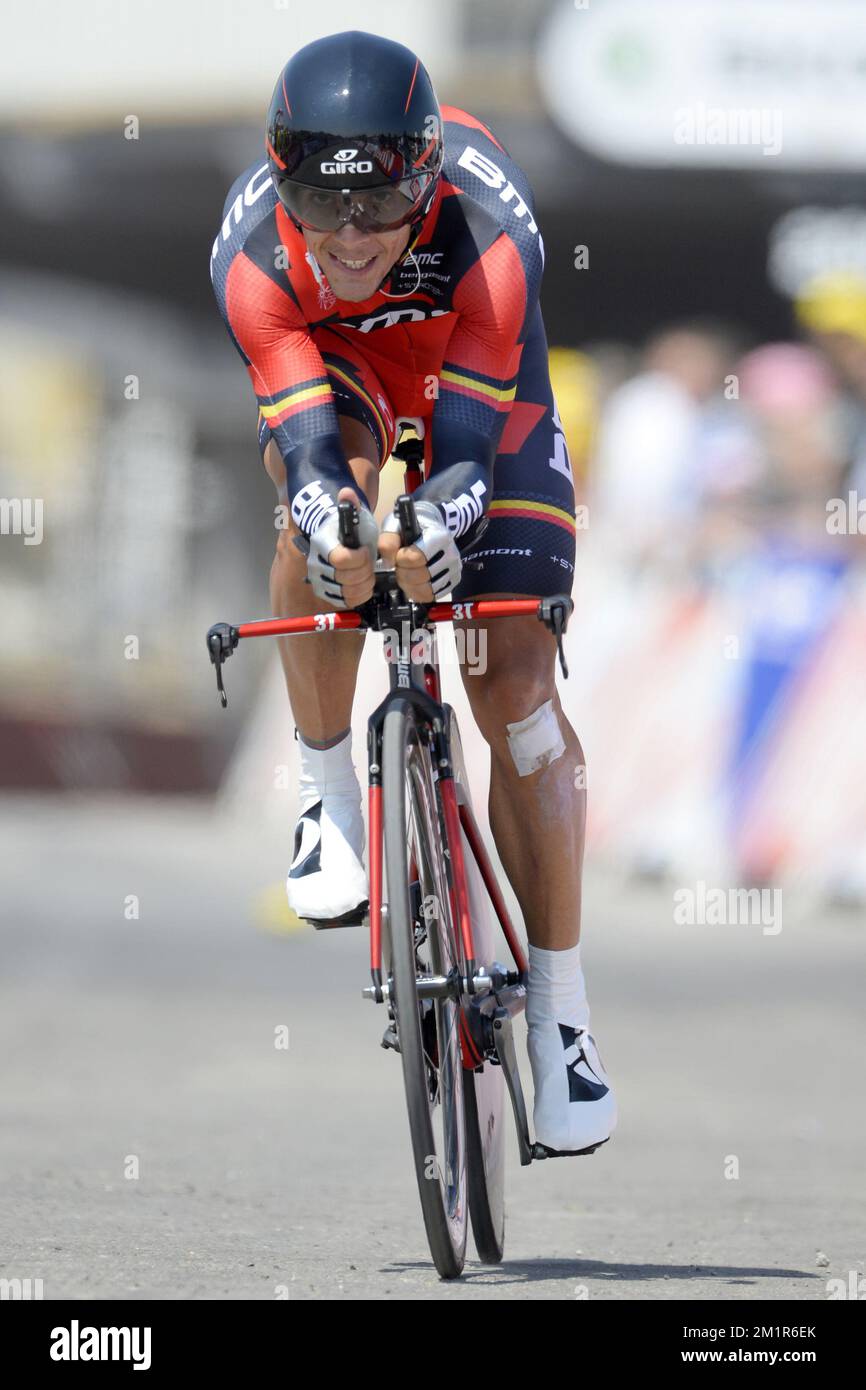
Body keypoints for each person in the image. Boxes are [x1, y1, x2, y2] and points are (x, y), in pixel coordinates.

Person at [210, 30, 615, 1155]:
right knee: (321, 519)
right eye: (317, 203)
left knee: (517, 696)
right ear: (279, 175)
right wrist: (331, 513)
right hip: (341, 376)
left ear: (426, 177)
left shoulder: (489, 235)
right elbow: (301, 453)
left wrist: (440, 519)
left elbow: (471, 456)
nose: (347, 239)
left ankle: (560, 1015)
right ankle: (329, 794)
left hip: (482, 397)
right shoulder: (251, 256)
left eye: (379, 203)